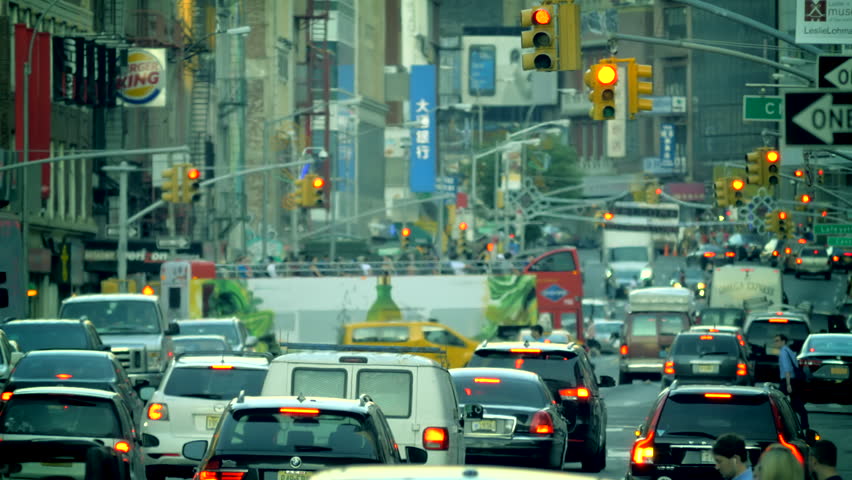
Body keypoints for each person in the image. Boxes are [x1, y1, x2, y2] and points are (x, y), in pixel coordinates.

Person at [775, 334, 810, 429]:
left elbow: (787, 369)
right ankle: (800, 425)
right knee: (795, 404)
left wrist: (788, 384)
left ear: (783, 341)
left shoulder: (783, 352)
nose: (776, 343)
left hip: (788, 381)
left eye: (777, 340)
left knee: (776, 400)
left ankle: (782, 424)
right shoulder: (789, 351)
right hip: (793, 381)